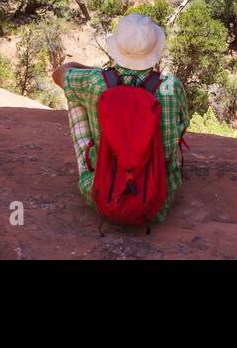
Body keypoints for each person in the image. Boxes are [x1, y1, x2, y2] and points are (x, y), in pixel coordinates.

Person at [51, 13, 189, 224]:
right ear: (155, 50)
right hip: (157, 195)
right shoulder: (171, 85)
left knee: (75, 95)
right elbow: (183, 125)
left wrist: (97, 72)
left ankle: (95, 170)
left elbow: (59, 73)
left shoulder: (96, 82)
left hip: (104, 191)